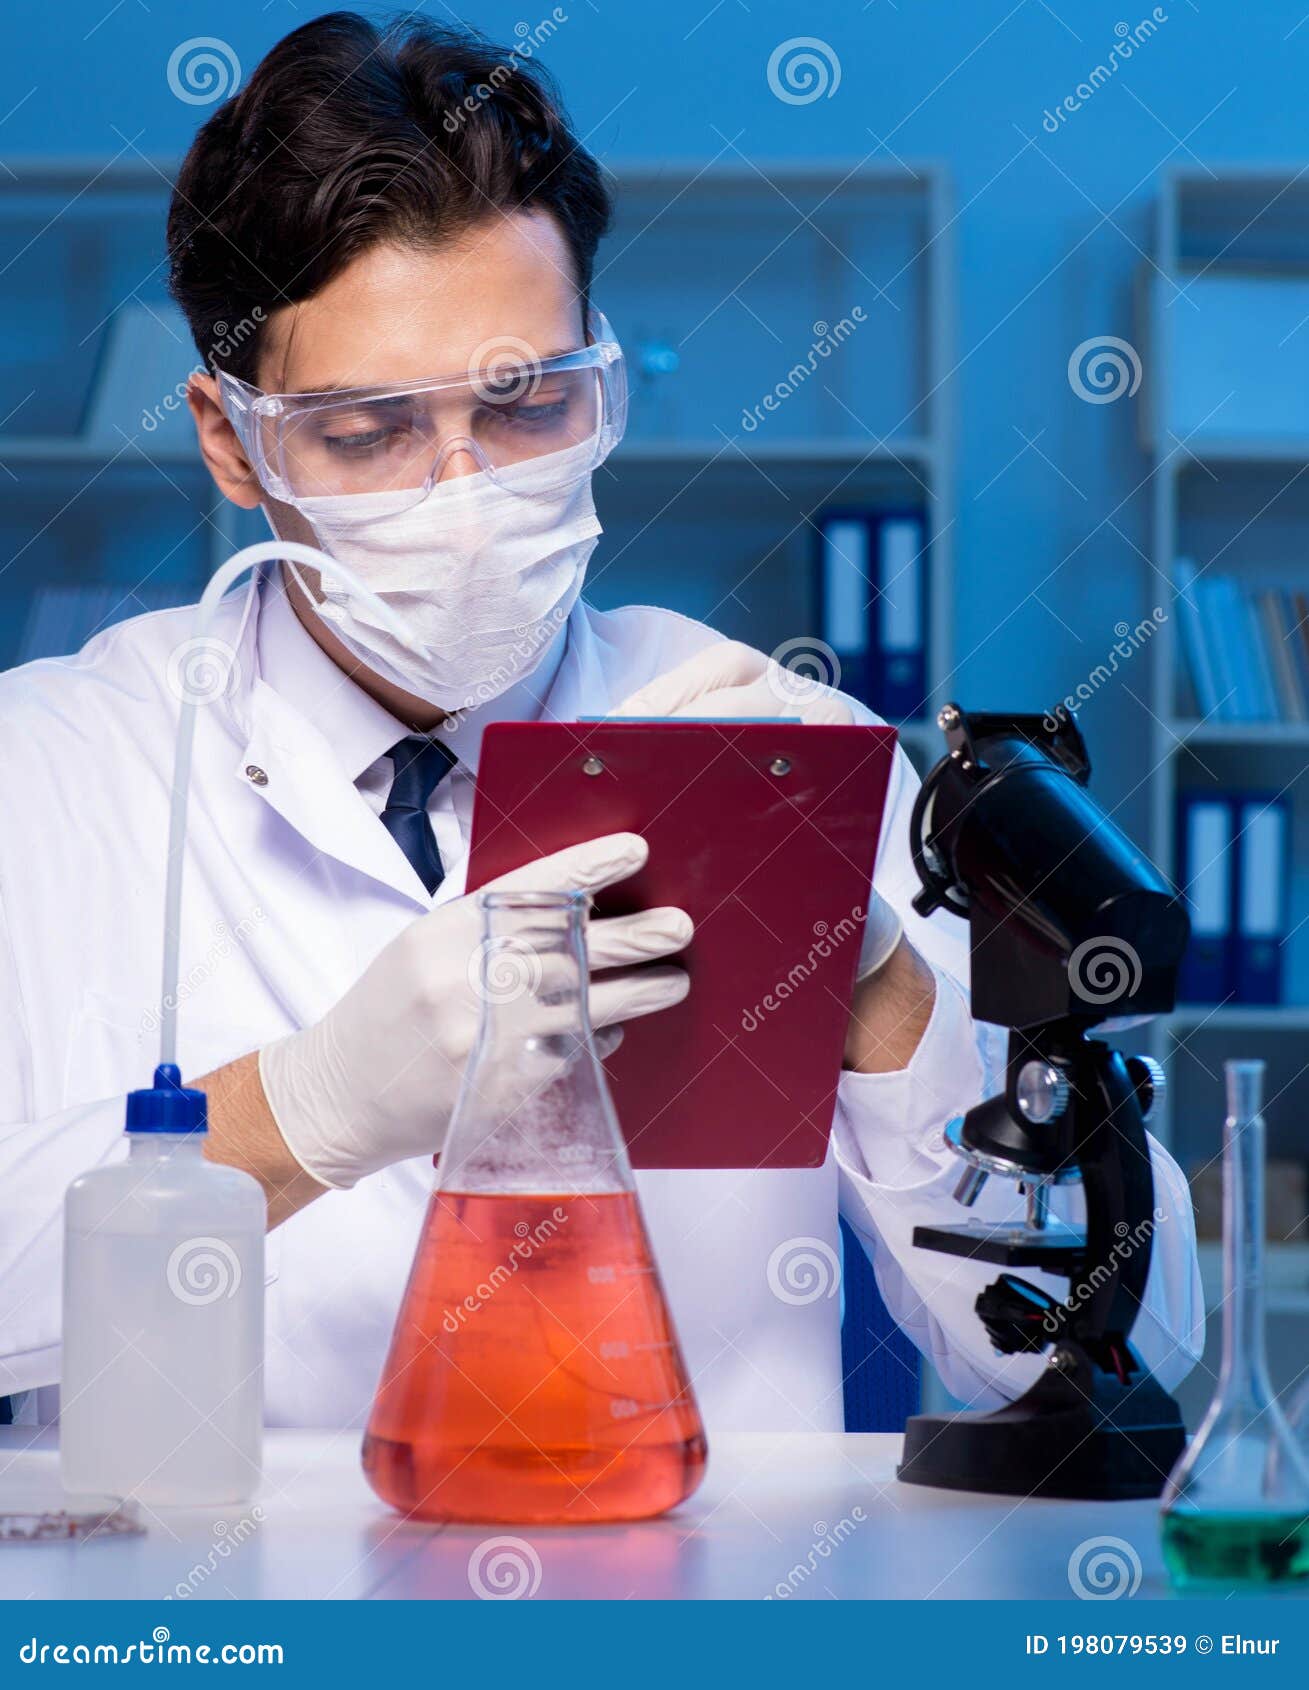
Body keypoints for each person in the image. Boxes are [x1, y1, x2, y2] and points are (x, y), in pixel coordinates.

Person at [0, 14, 1203, 1435]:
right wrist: (299, 1109)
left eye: (523, 404)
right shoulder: (54, 770)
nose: (460, 489)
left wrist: (889, 1008)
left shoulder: (779, 741)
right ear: (231, 438)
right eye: (366, 431)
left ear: (602, 378)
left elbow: (1132, 1346)